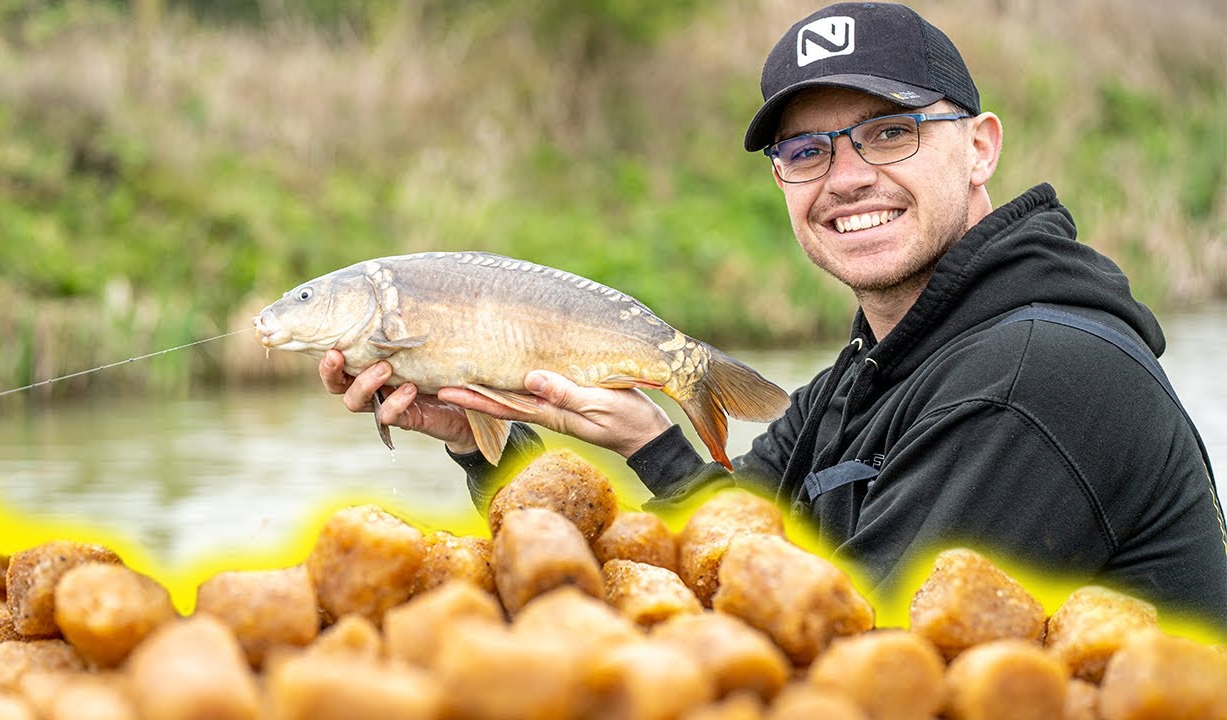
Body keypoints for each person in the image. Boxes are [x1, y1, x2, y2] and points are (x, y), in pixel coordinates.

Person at [319, 2, 1227, 626]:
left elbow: (840, 655)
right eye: (806, 151)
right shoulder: (865, 375)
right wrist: (492, 438)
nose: (847, 178)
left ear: (980, 148)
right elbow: (718, 558)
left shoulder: (1035, 377)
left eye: (889, 132)